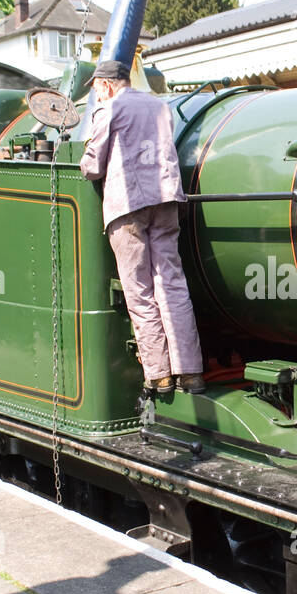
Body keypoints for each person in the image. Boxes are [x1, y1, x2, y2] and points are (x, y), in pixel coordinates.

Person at [79, 59, 205, 394]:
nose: (96, 94)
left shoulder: (109, 109)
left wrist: (83, 157)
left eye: (95, 89)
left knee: (139, 289)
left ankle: (159, 374)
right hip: (165, 200)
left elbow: (93, 166)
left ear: (105, 85)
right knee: (172, 283)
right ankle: (190, 371)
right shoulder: (160, 106)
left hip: (128, 204)